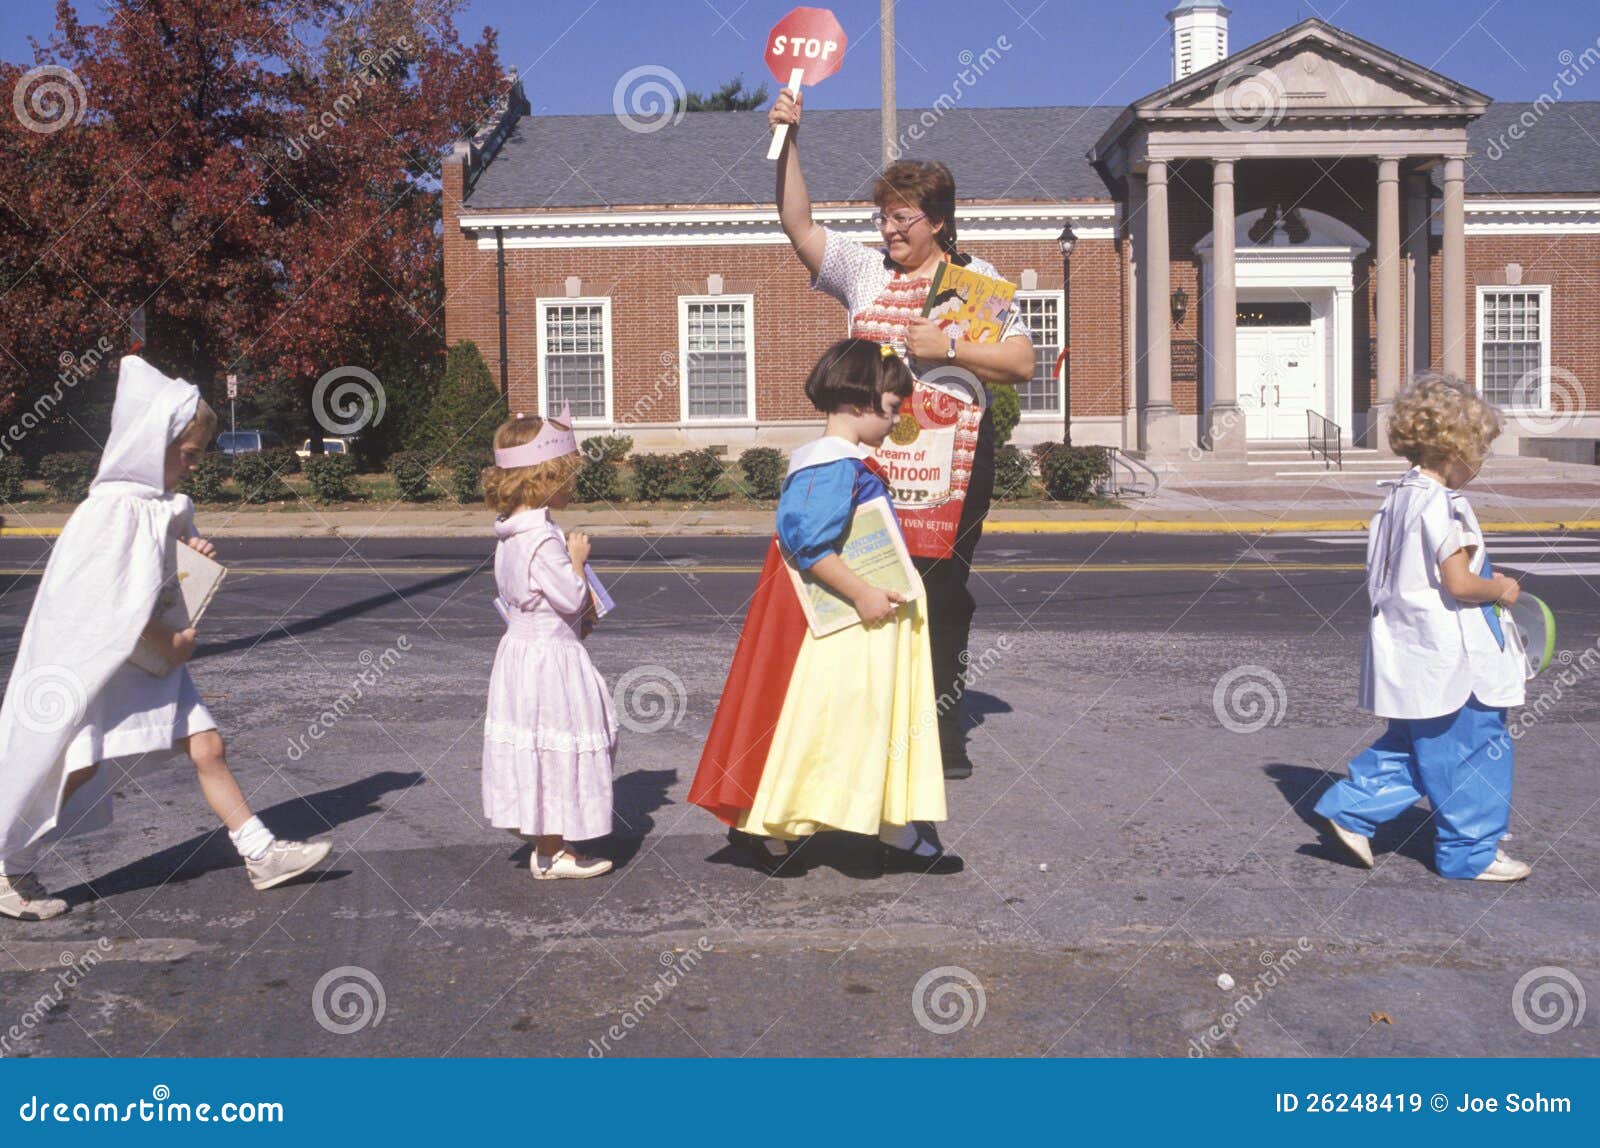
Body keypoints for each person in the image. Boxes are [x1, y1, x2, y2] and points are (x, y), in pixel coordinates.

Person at [0, 356, 331, 922]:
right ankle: (8, 862)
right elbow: (105, 606)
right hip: (103, 662)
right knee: (72, 763)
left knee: (207, 745)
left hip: (151, 655)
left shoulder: (164, 507)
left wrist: (192, 556)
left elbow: (168, 579)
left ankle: (260, 852)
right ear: (153, 440)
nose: (192, 467)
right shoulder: (110, 510)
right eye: (190, 454)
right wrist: (172, 642)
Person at [769, 85, 1035, 780]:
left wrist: (948, 350)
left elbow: (1023, 363)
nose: (889, 232)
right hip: (872, 464)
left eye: (903, 220)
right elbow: (797, 224)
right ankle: (870, 720)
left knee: (942, 591)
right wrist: (789, 140)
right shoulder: (863, 273)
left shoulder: (975, 281)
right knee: (870, 581)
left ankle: (941, 734)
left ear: (940, 221)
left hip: (954, 464)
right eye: (883, 219)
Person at [688, 339, 958, 876]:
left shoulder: (841, 462)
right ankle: (772, 825)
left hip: (854, 620)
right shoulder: (830, 464)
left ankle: (877, 821)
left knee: (857, 720)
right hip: (839, 627)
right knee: (828, 720)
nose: (895, 420)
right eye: (890, 408)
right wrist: (861, 594)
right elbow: (808, 544)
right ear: (859, 404)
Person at [1315, 374, 1532, 882]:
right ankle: (1470, 853)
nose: (1480, 463)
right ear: (1455, 449)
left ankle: (1351, 808)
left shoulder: (1396, 499)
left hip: (1411, 650)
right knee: (1476, 750)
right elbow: (1459, 583)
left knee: (1418, 742)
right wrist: (1499, 587)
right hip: (1455, 657)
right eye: (1479, 450)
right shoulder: (1443, 505)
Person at [480, 407, 617, 880]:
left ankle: (543, 837)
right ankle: (552, 851)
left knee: (536, 745)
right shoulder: (542, 537)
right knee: (559, 742)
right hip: (550, 662)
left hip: (522, 655)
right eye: (567, 475)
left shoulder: (510, 531)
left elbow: (527, 599)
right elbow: (571, 595)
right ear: (545, 478)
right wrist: (578, 559)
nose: (573, 484)